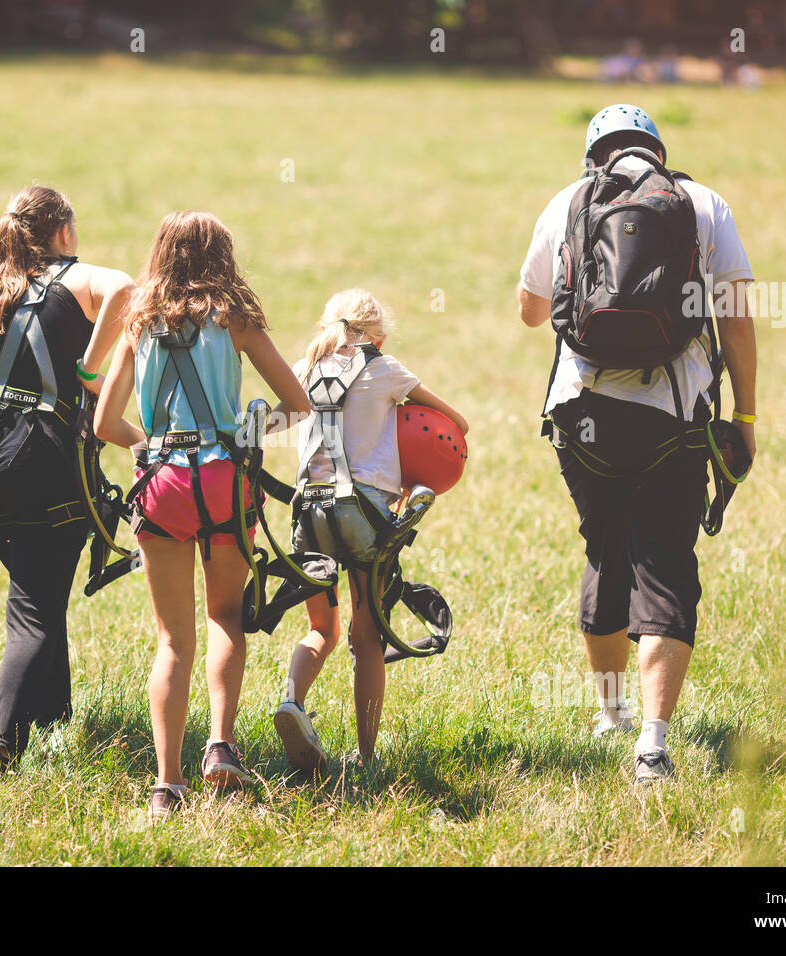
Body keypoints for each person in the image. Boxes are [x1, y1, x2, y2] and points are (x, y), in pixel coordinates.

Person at [516, 105, 758, 784]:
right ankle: (652, 746)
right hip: (674, 415)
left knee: (606, 550)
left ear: (593, 155)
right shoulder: (703, 204)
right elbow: (737, 319)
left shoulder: (568, 202)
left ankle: (611, 715)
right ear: (657, 150)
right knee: (665, 563)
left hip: (581, 412)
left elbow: (531, 309)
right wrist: (746, 417)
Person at [93, 211, 309, 821]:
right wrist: (247, 429)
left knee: (171, 640)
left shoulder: (138, 324)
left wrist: (149, 446)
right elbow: (297, 404)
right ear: (223, 258)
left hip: (161, 485)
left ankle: (167, 783)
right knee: (225, 616)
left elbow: (104, 424)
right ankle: (221, 747)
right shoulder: (237, 321)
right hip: (224, 482)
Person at [0, 185, 135, 786]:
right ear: (63, 233)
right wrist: (91, 366)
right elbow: (126, 289)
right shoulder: (78, 277)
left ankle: (53, 715)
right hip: (40, 466)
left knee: (39, 582)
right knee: (35, 609)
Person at [274, 289, 468, 773]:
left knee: (321, 628)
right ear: (377, 335)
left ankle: (292, 702)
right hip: (364, 516)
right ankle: (366, 756)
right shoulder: (385, 369)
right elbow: (456, 424)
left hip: (307, 514)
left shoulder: (304, 368)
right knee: (367, 639)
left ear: (325, 329)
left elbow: (273, 422)